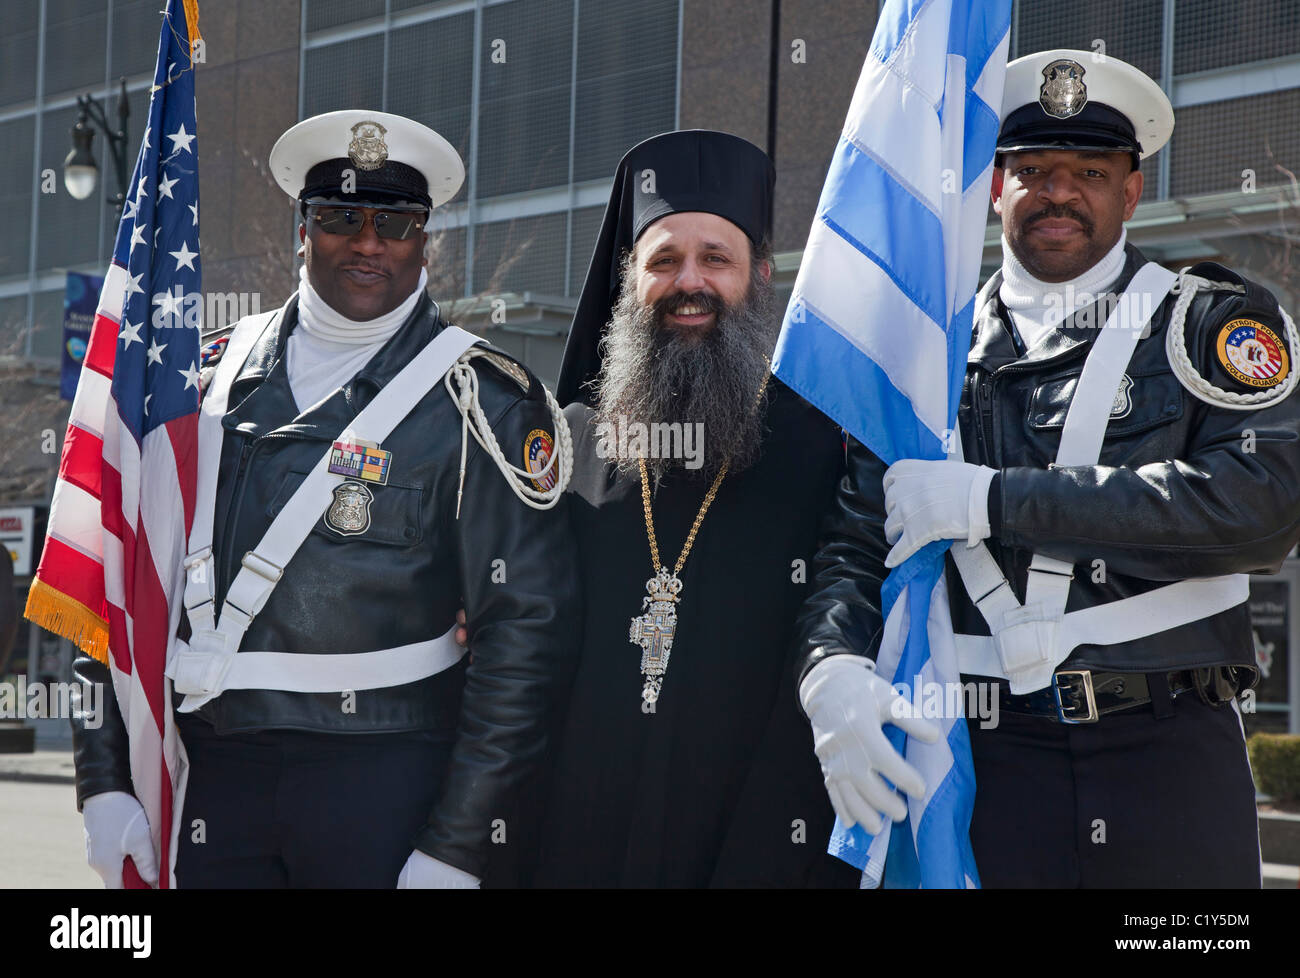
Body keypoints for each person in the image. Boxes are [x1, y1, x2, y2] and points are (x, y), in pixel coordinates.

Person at [792, 50, 1300, 887]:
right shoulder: (926, 351)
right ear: (996, 188)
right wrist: (830, 666)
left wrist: (996, 500)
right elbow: (853, 535)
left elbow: (1264, 508)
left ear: (1130, 191)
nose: (1058, 192)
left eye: (1089, 172)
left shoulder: (1210, 321)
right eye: (1032, 169)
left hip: (1166, 754)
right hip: (986, 758)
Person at [68, 109, 580, 888]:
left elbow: (526, 639)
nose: (368, 242)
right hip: (212, 773)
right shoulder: (200, 381)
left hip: (386, 779)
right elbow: (112, 572)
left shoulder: (485, 403)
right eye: (340, 216)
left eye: (397, 222)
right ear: (303, 229)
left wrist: (460, 843)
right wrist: (102, 776)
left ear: (425, 242)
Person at [509, 129, 856, 887]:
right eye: (663, 260)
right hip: (575, 832)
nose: (688, 282)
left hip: (758, 833)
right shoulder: (568, 444)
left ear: (759, 275)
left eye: (715, 259)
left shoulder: (824, 444)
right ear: (628, 278)